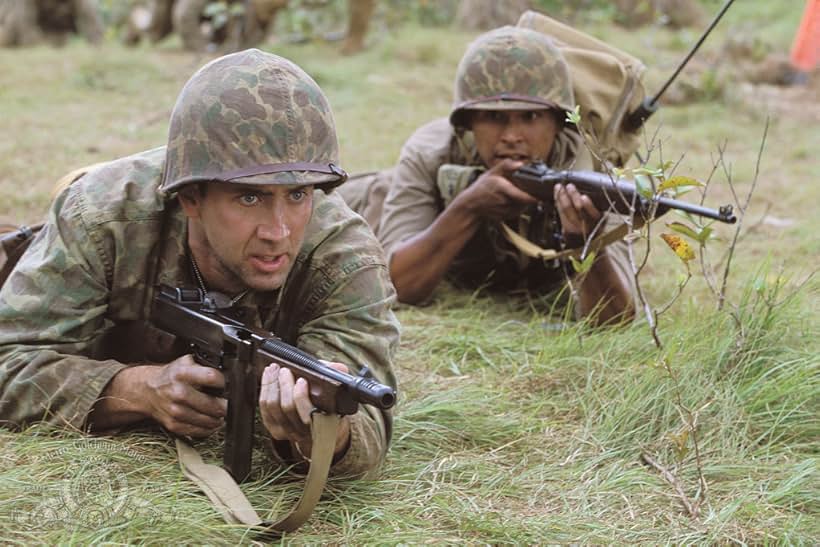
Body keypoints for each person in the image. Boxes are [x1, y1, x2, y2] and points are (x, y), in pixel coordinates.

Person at [0, 49, 399, 478]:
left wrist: (323, 436)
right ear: (190, 198)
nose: (278, 231)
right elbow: (9, 362)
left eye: (298, 195)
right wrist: (136, 390)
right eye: (251, 197)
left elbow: (368, 430)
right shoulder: (101, 218)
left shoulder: (344, 258)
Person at [340, 26, 636, 325]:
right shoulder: (432, 155)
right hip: (371, 204)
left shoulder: (591, 175)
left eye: (530, 117)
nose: (511, 136)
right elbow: (399, 289)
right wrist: (467, 208)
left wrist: (586, 242)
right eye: (494, 117)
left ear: (558, 122)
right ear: (469, 123)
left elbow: (615, 320)